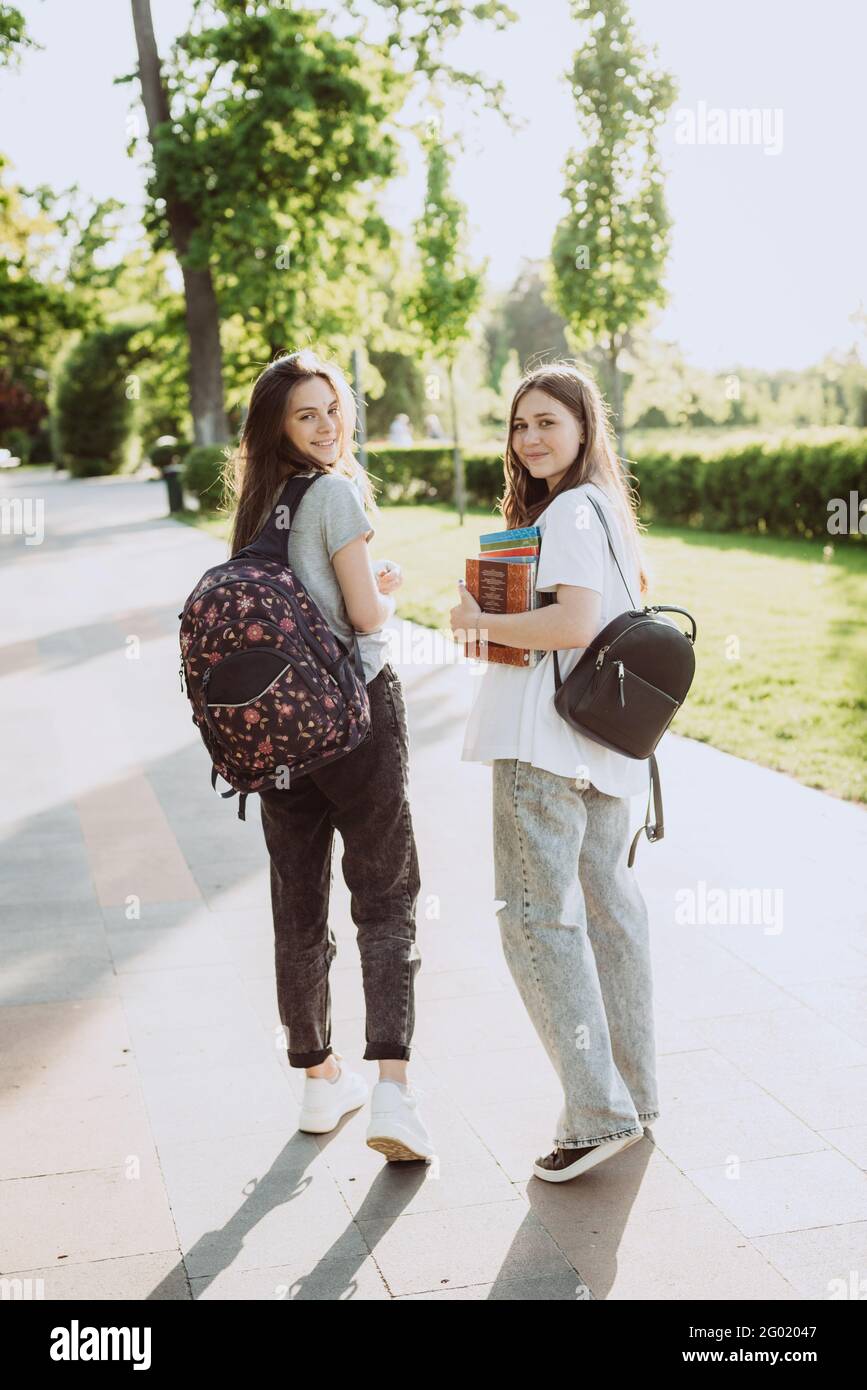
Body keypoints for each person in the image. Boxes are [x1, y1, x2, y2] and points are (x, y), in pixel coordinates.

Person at [449, 361, 660, 1183]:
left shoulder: (570, 509)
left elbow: (572, 624)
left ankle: (596, 1114)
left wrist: (478, 617)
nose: (530, 438)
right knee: (610, 916)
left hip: (542, 744)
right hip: (604, 748)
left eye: (547, 422)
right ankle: (632, 1101)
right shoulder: (603, 507)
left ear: (582, 428)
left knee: (537, 923)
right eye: (518, 424)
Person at [224, 348, 434, 1163]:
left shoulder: (256, 505)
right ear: (280, 425)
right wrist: (387, 588)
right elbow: (361, 614)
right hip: (353, 715)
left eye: (332, 407)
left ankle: (318, 1079)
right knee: (385, 894)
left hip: (275, 731)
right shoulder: (336, 491)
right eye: (306, 413)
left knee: (296, 897)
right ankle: (393, 1093)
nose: (326, 424)